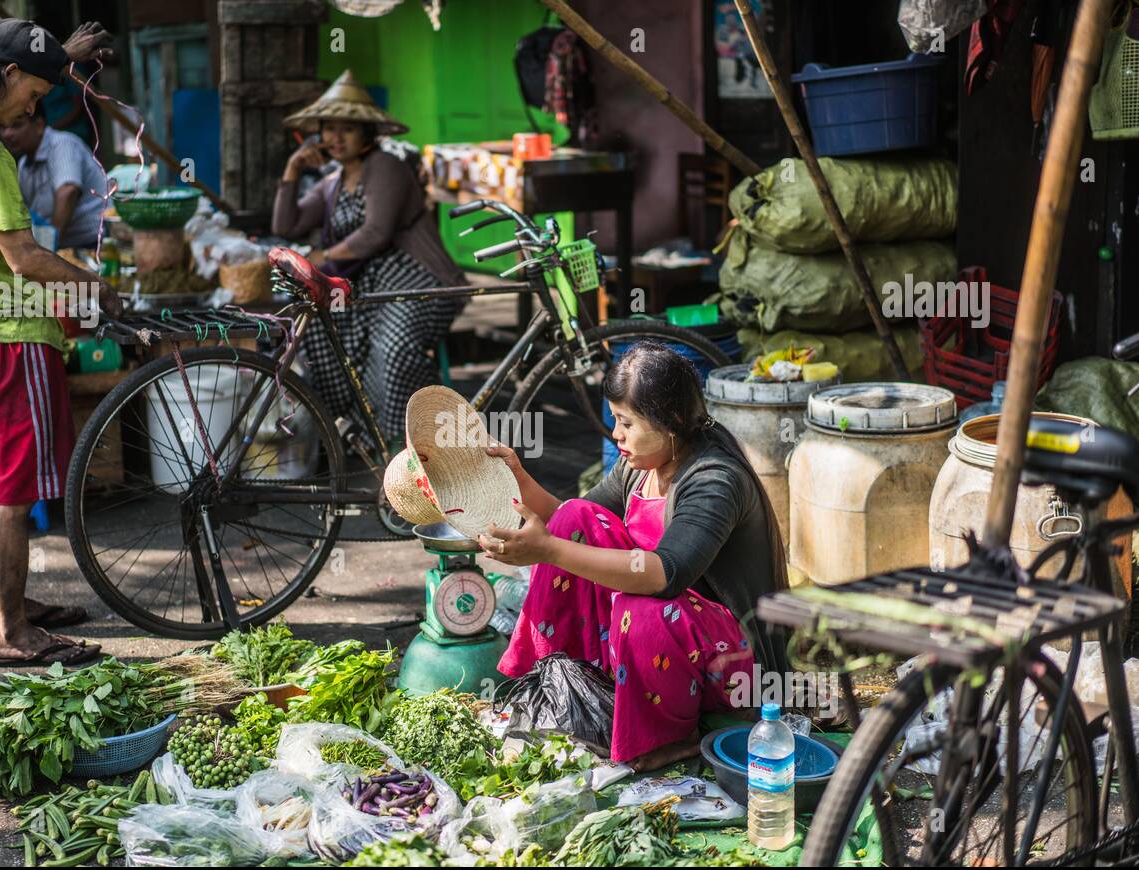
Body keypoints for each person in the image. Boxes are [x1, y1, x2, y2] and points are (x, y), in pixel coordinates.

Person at [481, 342, 790, 771]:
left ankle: (669, 737)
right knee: (575, 517)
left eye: (626, 422)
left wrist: (547, 549)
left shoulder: (715, 479)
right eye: (615, 420)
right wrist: (516, 475)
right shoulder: (642, 462)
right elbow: (568, 522)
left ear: (672, 422)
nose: (616, 435)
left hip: (737, 664)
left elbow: (664, 574)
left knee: (640, 604)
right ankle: (564, 682)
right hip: (669, 635)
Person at [0, 18, 122, 667]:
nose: (31, 111)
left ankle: (4, 606)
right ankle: (11, 633)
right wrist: (94, 287)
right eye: (32, 97)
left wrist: (60, 56)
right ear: (5, 77)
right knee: (14, 491)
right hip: (17, 333)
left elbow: (7, 66)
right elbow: (26, 258)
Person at [273, 69, 465, 441]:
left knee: (391, 348)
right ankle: (356, 429)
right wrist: (293, 168)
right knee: (316, 335)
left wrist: (323, 254)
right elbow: (287, 225)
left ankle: (409, 443)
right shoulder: (332, 182)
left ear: (367, 135)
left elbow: (375, 233)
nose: (336, 137)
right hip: (366, 291)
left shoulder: (385, 167)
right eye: (329, 128)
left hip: (420, 283)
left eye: (348, 129)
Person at [0, 101, 106, 249]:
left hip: (92, 243)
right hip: (65, 246)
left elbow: (68, 191)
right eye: (3, 127)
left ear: (39, 126)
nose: (7, 134)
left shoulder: (62, 144)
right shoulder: (24, 164)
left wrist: (48, 246)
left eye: (17, 126)